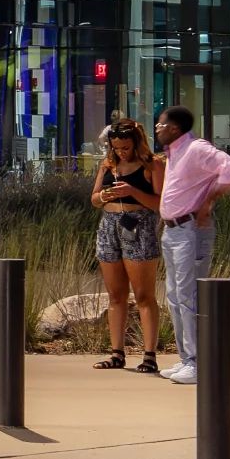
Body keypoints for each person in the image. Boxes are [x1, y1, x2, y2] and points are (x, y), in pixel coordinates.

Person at [149, 105, 230, 389]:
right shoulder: (174, 153)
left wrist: (208, 201)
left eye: (161, 124)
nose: (157, 128)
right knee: (175, 296)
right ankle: (186, 356)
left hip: (189, 230)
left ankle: (197, 361)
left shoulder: (196, 149)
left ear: (175, 129)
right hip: (173, 230)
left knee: (189, 295)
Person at [87, 123, 166, 372]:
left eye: (126, 147)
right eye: (116, 147)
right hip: (109, 225)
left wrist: (131, 190)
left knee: (143, 295)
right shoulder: (108, 164)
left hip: (139, 224)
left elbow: (159, 203)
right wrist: (104, 197)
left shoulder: (152, 164)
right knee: (115, 295)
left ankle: (149, 354)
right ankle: (117, 352)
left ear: (137, 143)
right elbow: (94, 198)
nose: (121, 152)